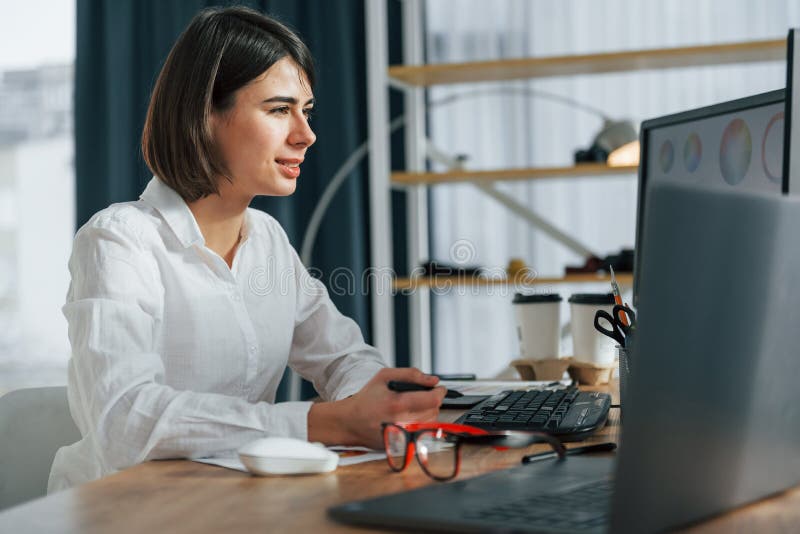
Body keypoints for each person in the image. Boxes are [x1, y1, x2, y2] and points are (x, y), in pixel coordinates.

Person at [48, 6, 445, 492]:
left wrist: (385, 400)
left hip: (235, 501)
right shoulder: (117, 240)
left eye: (307, 111)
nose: (306, 134)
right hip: (125, 510)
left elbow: (342, 358)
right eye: (280, 110)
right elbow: (124, 419)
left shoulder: (269, 241)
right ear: (205, 114)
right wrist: (325, 423)